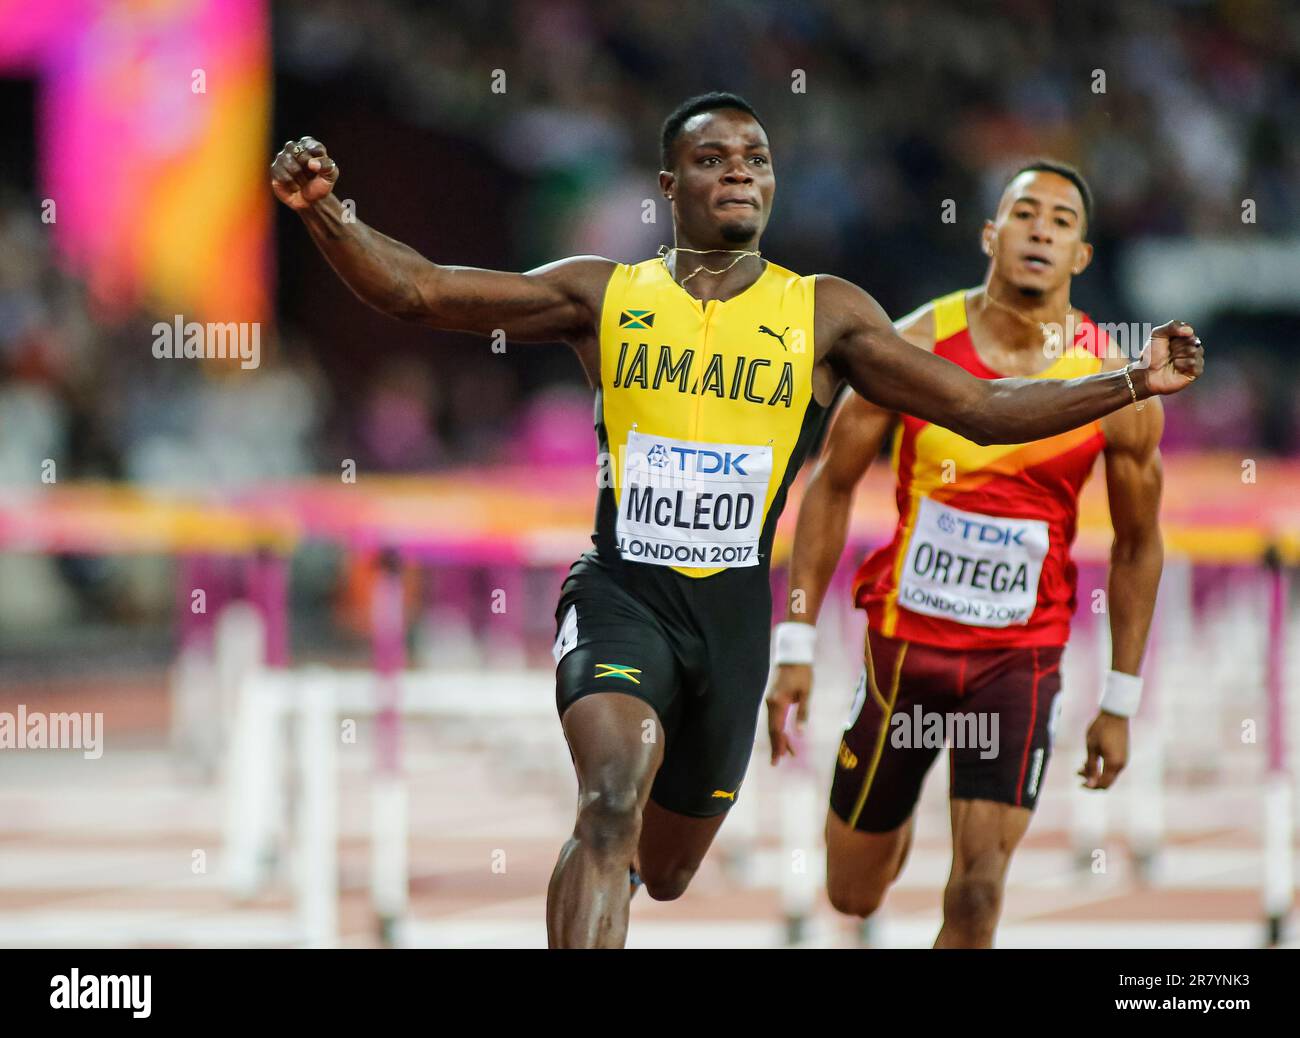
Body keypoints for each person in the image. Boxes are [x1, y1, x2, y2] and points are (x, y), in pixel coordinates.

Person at [270, 94, 1203, 948]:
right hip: (621, 594)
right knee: (607, 802)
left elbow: (985, 411)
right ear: (671, 187)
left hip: (727, 624)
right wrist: (326, 212)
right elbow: (421, 289)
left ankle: (619, 875)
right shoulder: (604, 294)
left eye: (756, 159)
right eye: (715, 161)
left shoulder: (824, 316)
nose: (741, 174)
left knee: (663, 870)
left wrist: (1131, 379)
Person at [766, 161, 1168, 948]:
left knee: (979, 892)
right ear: (991, 233)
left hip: (1018, 660)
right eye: (1025, 212)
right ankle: (897, 820)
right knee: (852, 893)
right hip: (903, 653)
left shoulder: (1114, 385)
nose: (1042, 229)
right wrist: (796, 643)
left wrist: (1119, 699)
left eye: (1062, 219)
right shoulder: (912, 344)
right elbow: (830, 486)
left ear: (1082, 256)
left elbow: (1137, 544)